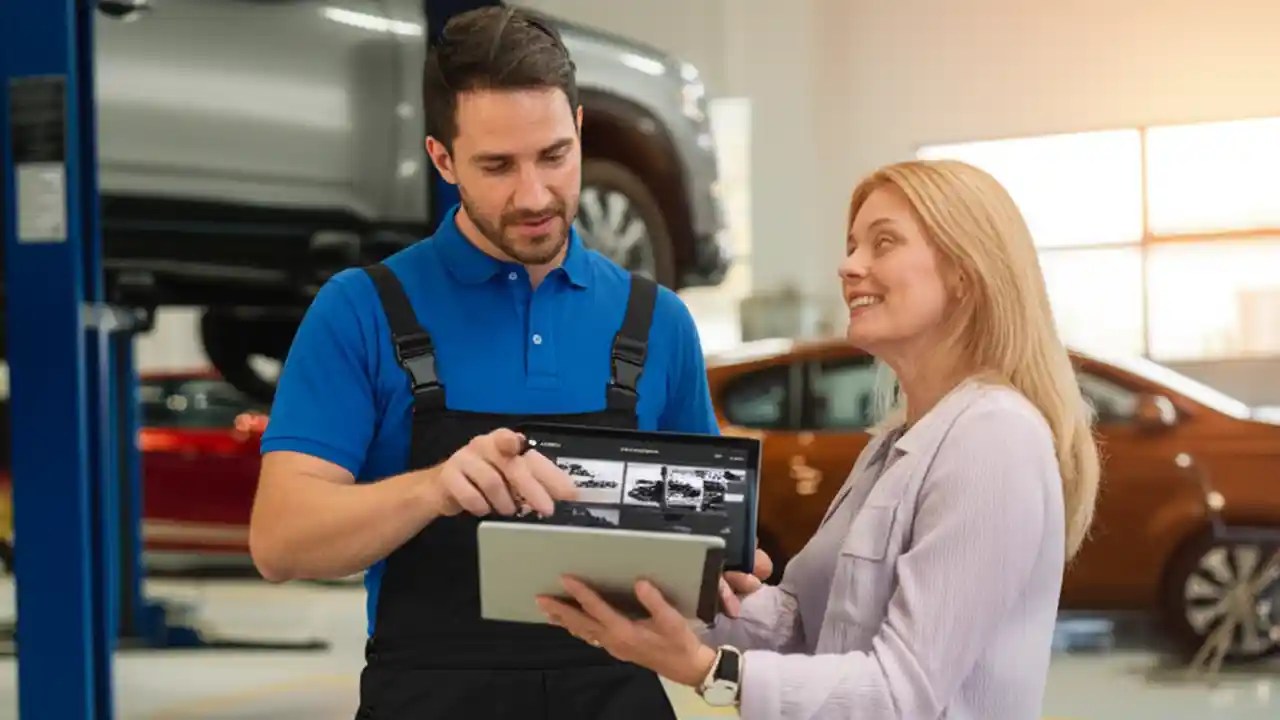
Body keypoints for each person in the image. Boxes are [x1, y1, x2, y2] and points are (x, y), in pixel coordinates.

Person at [246, 7, 768, 719]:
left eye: (554, 155)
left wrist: (728, 577)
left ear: (580, 131)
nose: (533, 195)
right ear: (442, 159)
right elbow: (279, 542)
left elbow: (700, 549)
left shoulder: (657, 324)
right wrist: (433, 489)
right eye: (497, 166)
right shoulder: (362, 311)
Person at [538, 159, 1104, 719]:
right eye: (852, 245)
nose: (849, 266)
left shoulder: (994, 438)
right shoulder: (897, 446)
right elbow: (807, 627)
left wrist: (707, 670)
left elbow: (899, 693)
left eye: (883, 243)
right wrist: (684, 586)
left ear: (964, 271)